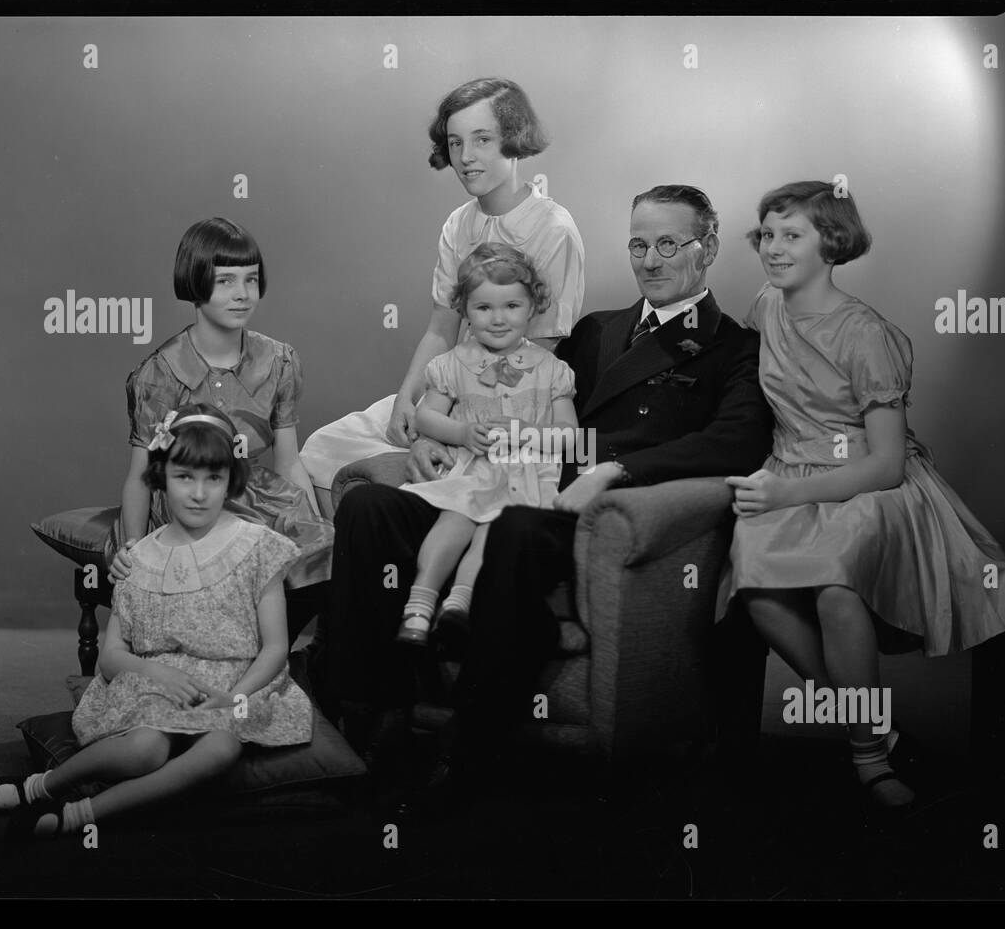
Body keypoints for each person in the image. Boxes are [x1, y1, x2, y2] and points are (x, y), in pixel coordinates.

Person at [326, 184, 772, 808]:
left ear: (710, 248)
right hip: (516, 483)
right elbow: (515, 392)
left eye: (669, 243)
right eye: (639, 243)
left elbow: (734, 443)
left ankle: (468, 749)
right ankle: (375, 719)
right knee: (369, 507)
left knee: (514, 531)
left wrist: (613, 468)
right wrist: (444, 439)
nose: (650, 259)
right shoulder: (596, 332)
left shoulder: (735, 348)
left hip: (594, 515)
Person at [726, 181, 1005, 808]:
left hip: (866, 482)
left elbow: (888, 464)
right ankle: (874, 728)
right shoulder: (765, 305)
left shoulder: (867, 334)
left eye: (793, 235)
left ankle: (869, 759)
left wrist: (785, 494)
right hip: (787, 471)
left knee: (836, 583)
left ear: (832, 243)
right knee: (756, 589)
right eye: (767, 234)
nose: (774, 248)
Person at [0, 404, 313, 836]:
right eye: (185, 477)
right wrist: (155, 672)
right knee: (145, 749)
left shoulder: (258, 546)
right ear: (161, 477)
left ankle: (80, 816)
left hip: (235, 684)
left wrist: (235, 697)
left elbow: (276, 647)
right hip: (157, 683)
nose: (199, 493)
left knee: (220, 748)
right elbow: (110, 657)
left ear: (230, 482)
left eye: (213, 479)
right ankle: (39, 788)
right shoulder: (139, 559)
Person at [299, 77, 585, 493]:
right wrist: (406, 400)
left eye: (482, 139)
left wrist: (443, 427)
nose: (466, 157)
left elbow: (537, 352)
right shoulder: (459, 223)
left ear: (514, 139)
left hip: (511, 404)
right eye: (455, 143)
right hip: (449, 385)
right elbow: (440, 329)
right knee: (322, 450)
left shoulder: (553, 228)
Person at [106, 218, 331, 680]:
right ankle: (233, 662)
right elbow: (140, 473)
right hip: (190, 501)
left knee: (325, 547)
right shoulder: (161, 371)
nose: (242, 293)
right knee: (238, 549)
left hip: (255, 492)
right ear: (196, 282)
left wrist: (312, 525)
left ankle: (275, 658)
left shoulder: (280, 361)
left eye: (251, 279)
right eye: (225, 280)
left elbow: (288, 460)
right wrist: (133, 545)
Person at [395, 243, 578, 648]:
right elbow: (426, 416)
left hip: (524, 478)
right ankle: (418, 606)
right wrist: (461, 434)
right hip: (473, 469)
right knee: (454, 520)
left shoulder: (552, 372)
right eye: (483, 308)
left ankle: (458, 605)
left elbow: (569, 436)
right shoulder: (452, 365)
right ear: (464, 311)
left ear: (532, 307)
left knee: (494, 533)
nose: (498, 319)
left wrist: (524, 430)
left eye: (512, 306)